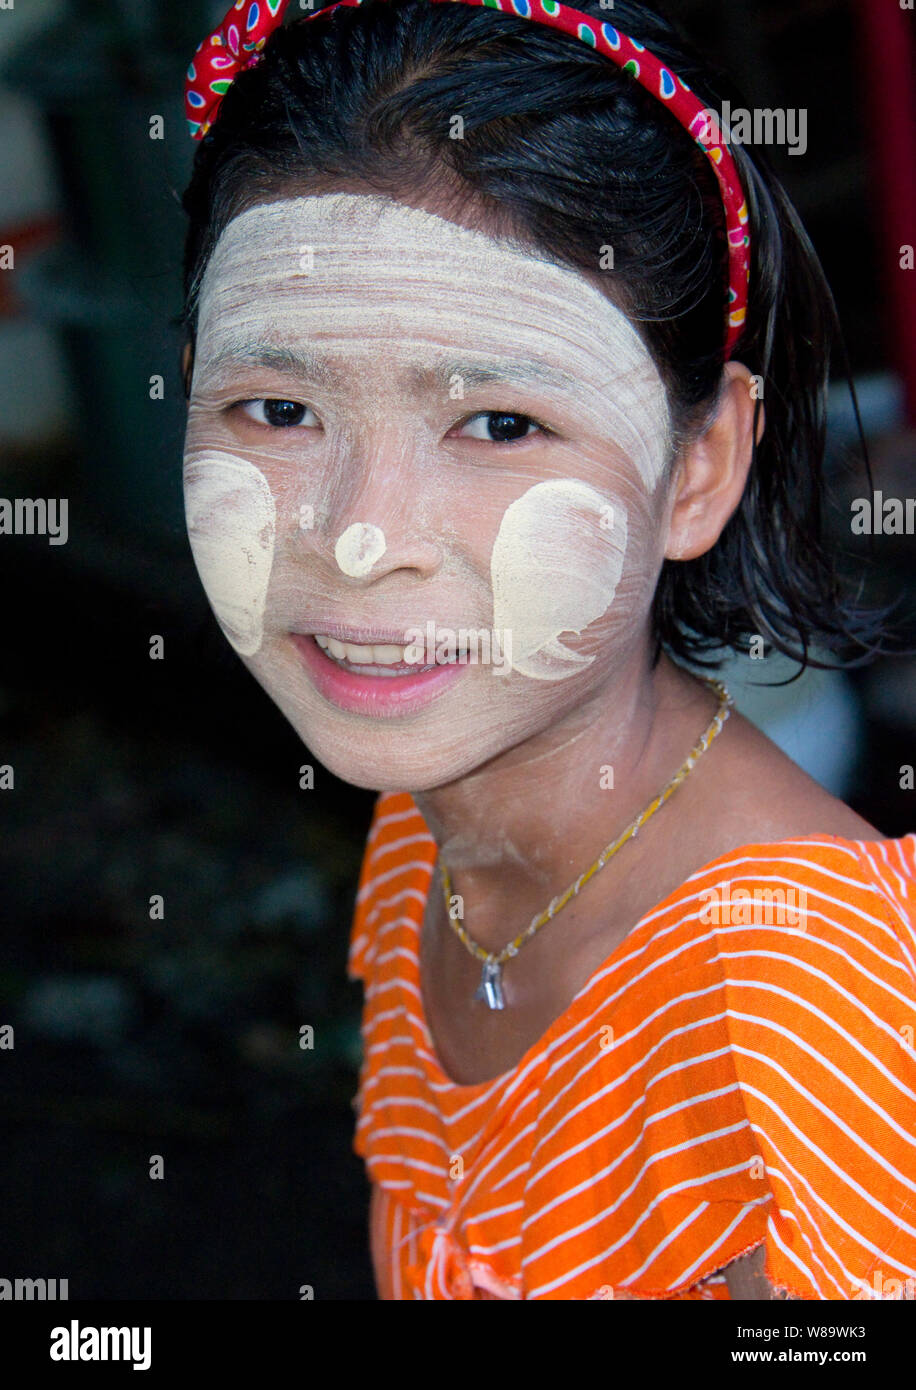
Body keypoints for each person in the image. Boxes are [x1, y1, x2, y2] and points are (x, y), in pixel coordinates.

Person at [178, 0, 916, 1300]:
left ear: (699, 468)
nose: (360, 538)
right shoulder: (436, 812)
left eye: (501, 423)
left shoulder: (800, 1017)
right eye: (277, 407)